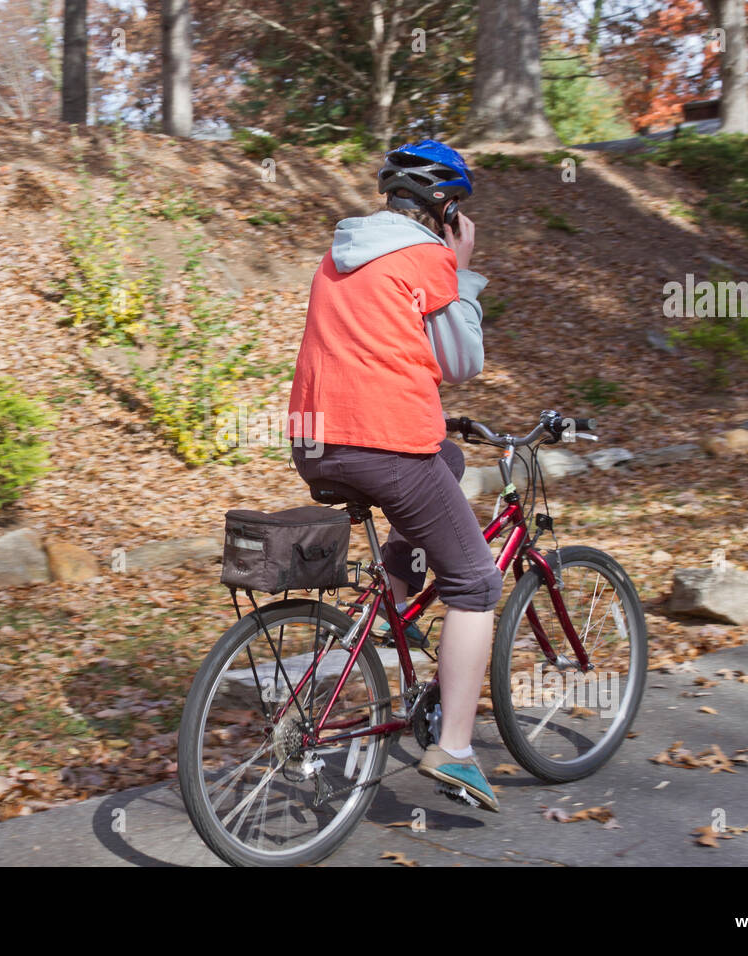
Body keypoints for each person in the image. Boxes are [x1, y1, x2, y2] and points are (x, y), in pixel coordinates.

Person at [286, 139, 505, 811]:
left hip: (318, 442)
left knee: (449, 459)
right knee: (476, 581)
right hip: (383, 444)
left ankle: (395, 604)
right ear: (443, 208)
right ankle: (459, 752)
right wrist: (461, 269)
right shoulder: (430, 256)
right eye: (456, 209)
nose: (458, 222)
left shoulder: (339, 253)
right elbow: (463, 361)